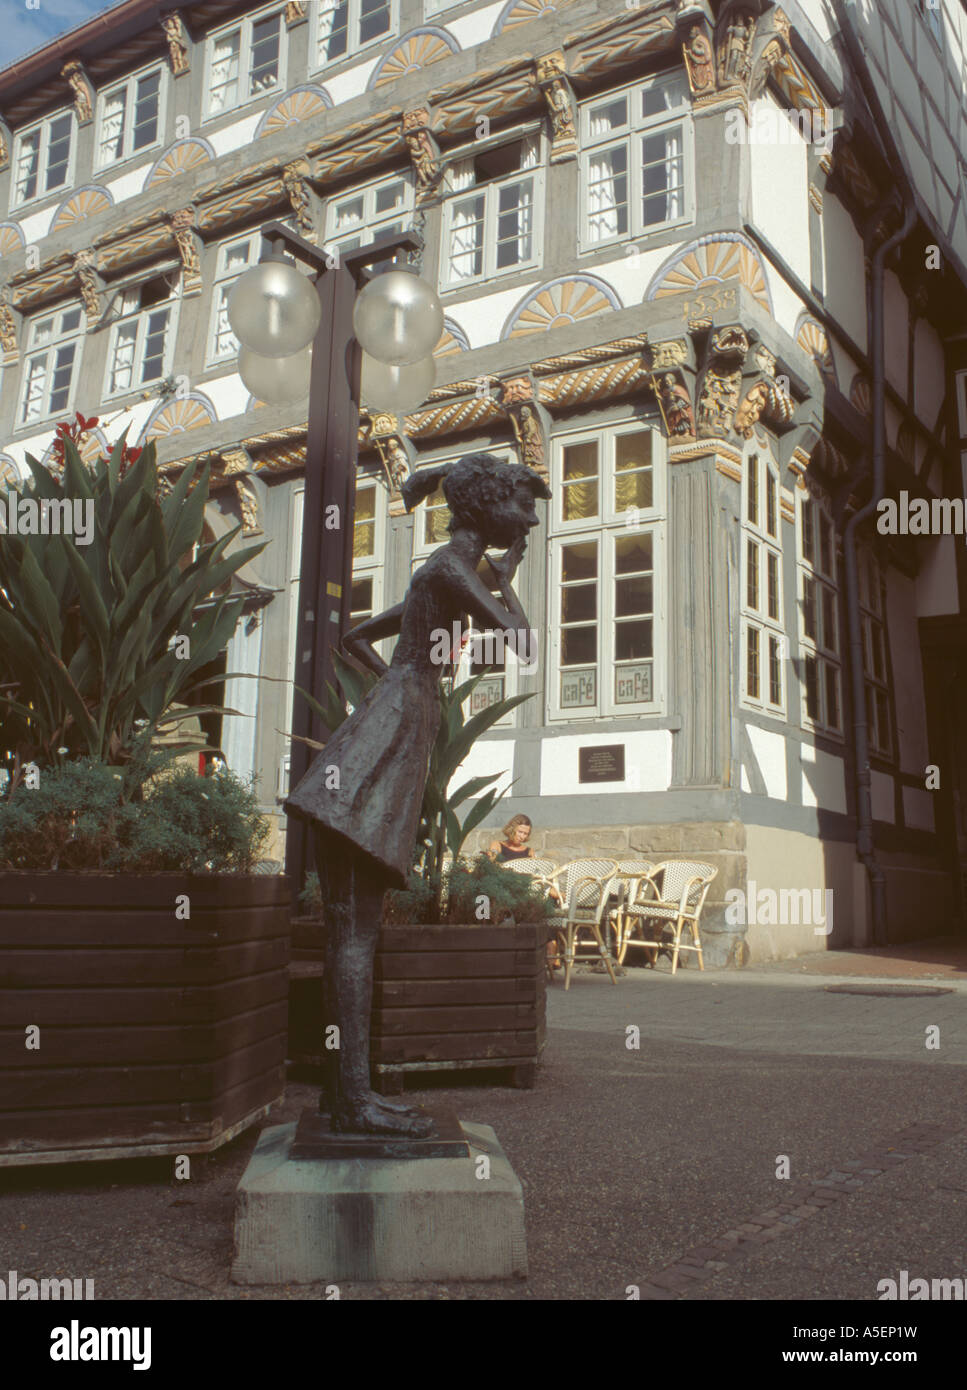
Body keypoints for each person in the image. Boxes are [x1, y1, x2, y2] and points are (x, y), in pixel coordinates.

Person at [285, 452, 550, 1135]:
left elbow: (353, 638)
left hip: (394, 723)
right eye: (519, 505)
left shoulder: (440, 572)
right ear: (484, 506)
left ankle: (348, 1095)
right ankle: (351, 1100)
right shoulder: (447, 568)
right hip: (390, 735)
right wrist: (510, 576)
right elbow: (519, 640)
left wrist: (395, 686)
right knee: (352, 934)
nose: (528, 518)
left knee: (357, 931)